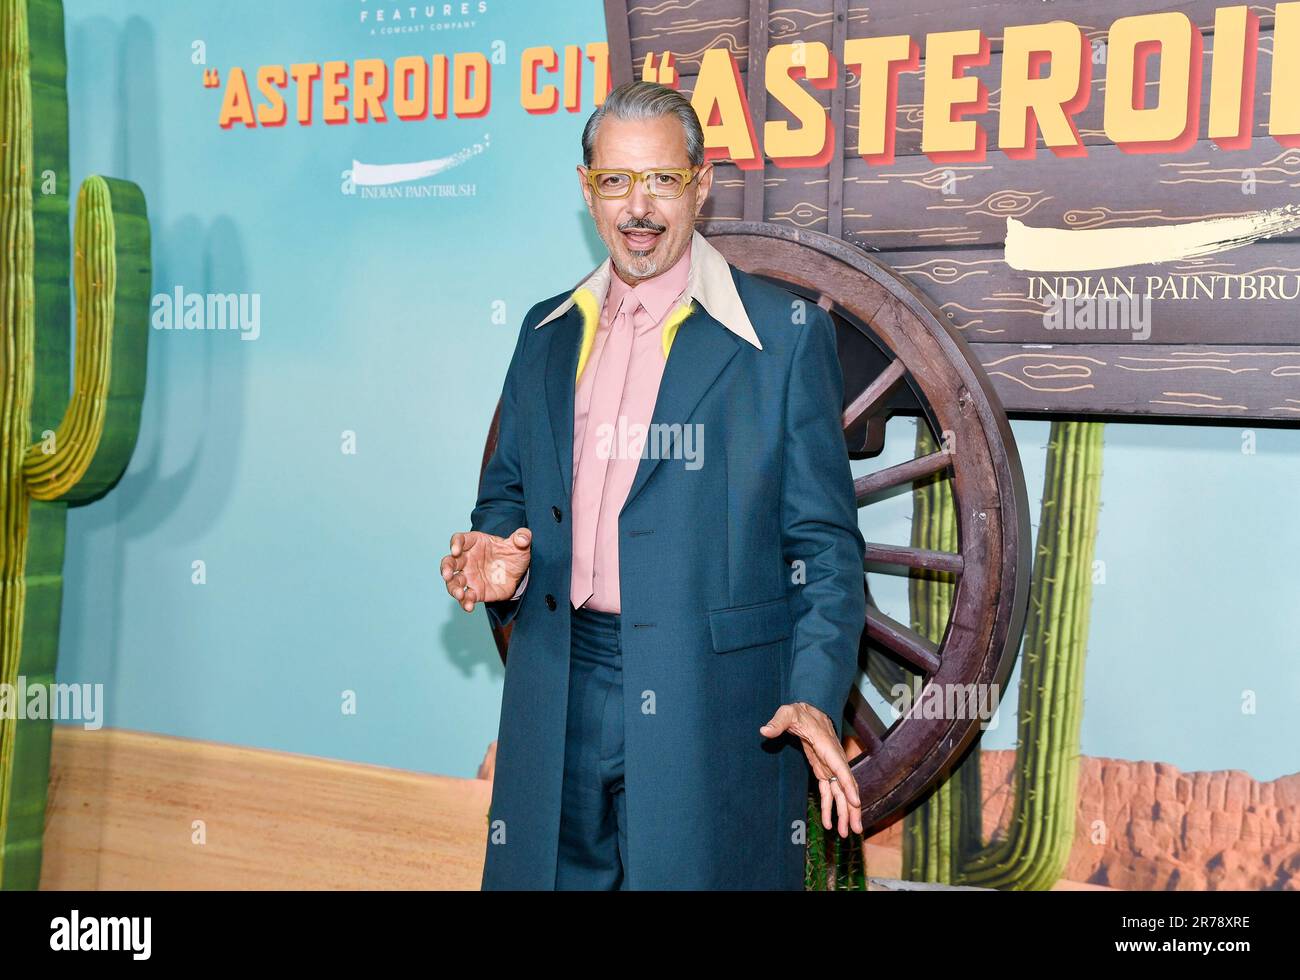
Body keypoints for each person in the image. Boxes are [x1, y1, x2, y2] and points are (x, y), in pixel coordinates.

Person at [440, 79, 867, 890]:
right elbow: (505, 496)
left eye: (663, 180)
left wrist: (815, 692)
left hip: (718, 709)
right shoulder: (543, 333)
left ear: (701, 183)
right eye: (615, 181)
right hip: (557, 685)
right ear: (586, 190)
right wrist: (499, 556)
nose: (639, 207)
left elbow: (826, 551)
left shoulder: (782, 337)